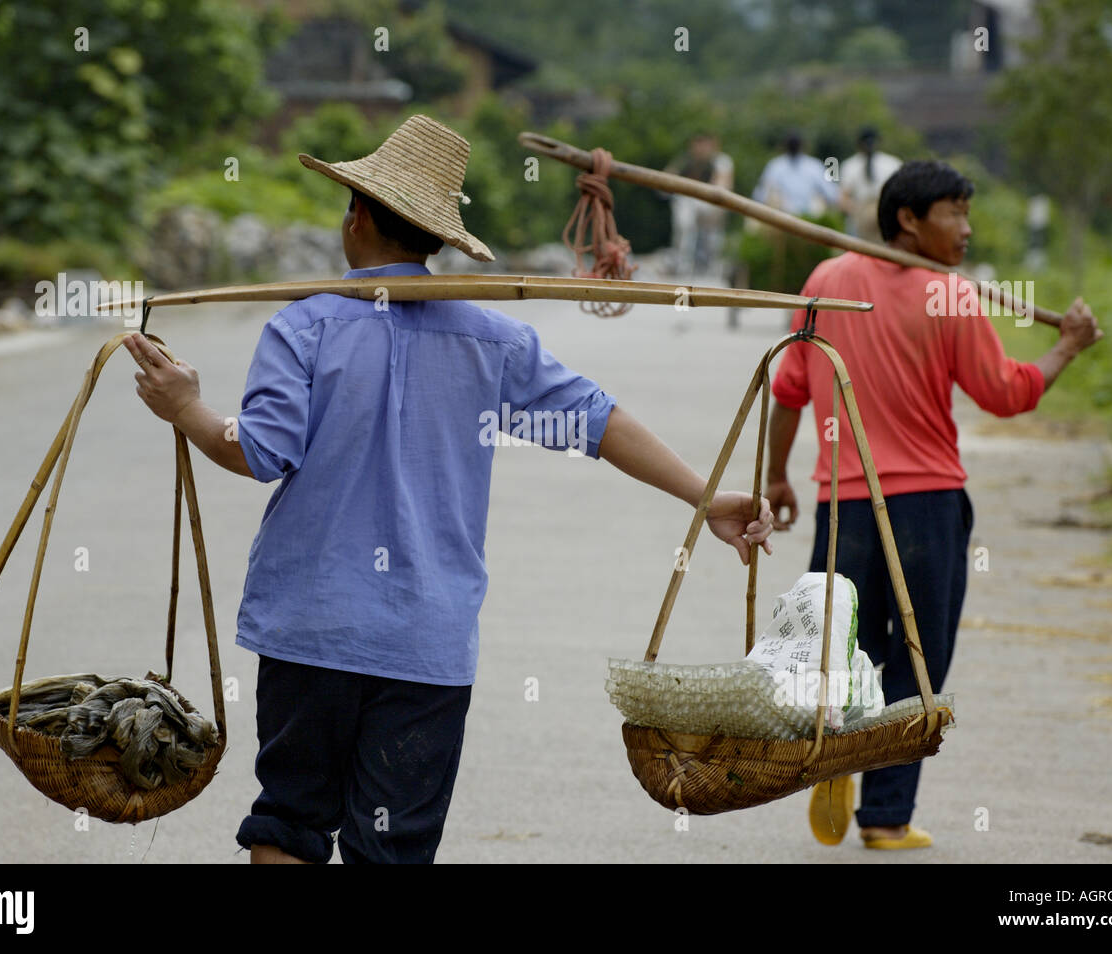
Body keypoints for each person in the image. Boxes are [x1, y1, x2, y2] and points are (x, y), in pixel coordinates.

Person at [120, 115, 775, 864]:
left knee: (289, 822)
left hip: (311, 630)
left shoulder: (303, 328)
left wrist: (187, 410)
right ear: (435, 238)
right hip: (423, 643)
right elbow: (599, 424)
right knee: (392, 846)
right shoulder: (494, 341)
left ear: (357, 213)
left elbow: (258, 453)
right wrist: (705, 496)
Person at [764, 160, 1101, 851]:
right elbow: (1006, 393)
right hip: (925, 506)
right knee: (918, 661)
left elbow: (789, 390)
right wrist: (1065, 348)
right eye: (953, 212)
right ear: (909, 221)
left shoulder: (826, 282)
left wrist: (777, 477)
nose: (967, 228)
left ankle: (843, 752)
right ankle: (885, 816)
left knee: (847, 650)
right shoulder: (951, 294)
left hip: (844, 508)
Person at [665, 133, 735, 275]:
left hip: (714, 207)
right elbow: (668, 178)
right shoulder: (688, 160)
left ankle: (699, 265)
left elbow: (721, 188)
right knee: (684, 215)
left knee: (710, 242)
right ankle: (682, 263)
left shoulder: (722, 161)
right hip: (695, 205)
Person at [752, 131, 838, 218]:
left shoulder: (814, 166)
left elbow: (832, 194)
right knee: (774, 196)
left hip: (811, 219)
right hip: (781, 218)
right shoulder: (775, 166)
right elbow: (761, 195)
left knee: (818, 203)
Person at [837, 127, 901, 243]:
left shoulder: (891, 164)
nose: (869, 145)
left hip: (884, 213)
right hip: (859, 215)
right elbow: (844, 197)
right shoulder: (850, 166)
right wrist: (858, 213)